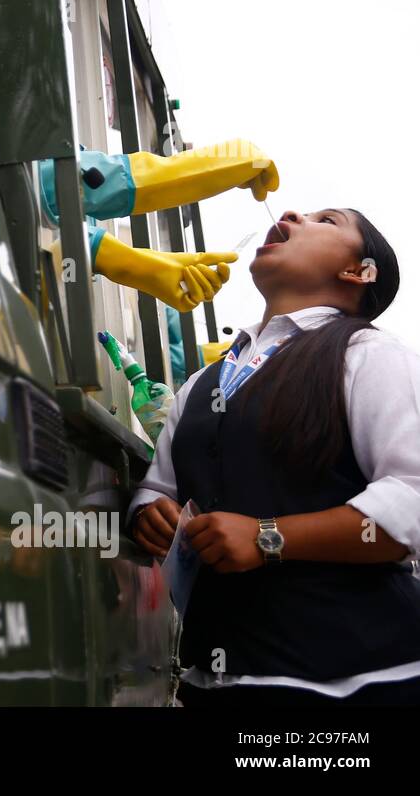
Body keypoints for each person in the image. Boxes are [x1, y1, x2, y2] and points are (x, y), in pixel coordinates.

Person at [128, 208, 420, 706]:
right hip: (213, 686)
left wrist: (268, 536)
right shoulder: (202, 384)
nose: (290, 214)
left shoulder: (370, 354)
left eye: (326, 221)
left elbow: (409, 503)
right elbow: (162, 488)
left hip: (358, 684)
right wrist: (149, 510)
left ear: (357, 272)